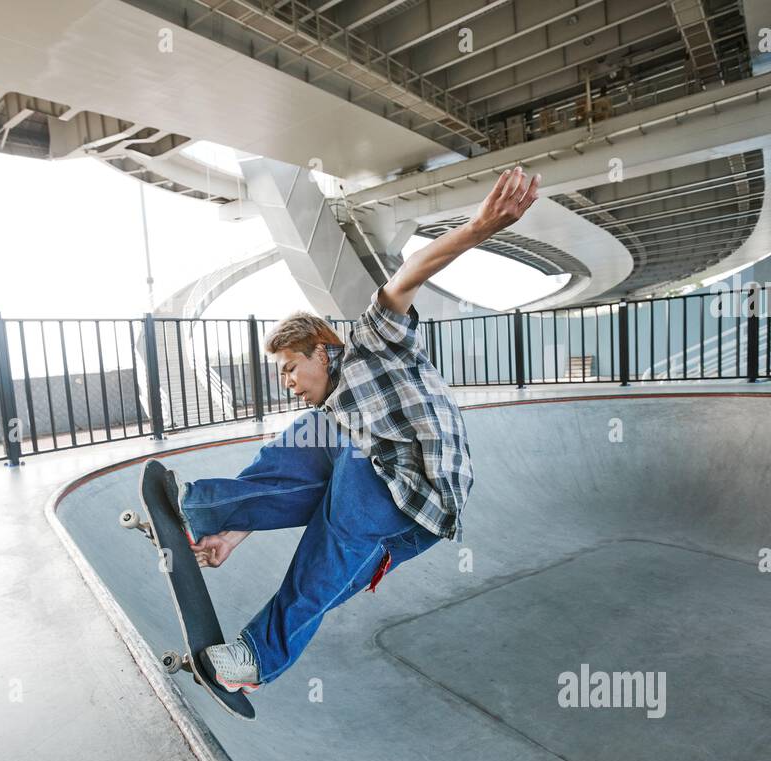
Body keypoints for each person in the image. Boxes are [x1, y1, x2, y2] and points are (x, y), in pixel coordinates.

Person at [164, 167, 541, 691]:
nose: (289, 382)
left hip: (421, 503)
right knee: (309, 440)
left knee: (344, 467)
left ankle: (256, 654)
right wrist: (232, 535)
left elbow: (406, 276)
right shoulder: (333, 417)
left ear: (323, 349)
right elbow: (287, 479)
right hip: (371, 501)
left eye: (292, 368)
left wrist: (477, 228)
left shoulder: (371, 345)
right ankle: (207, 513)